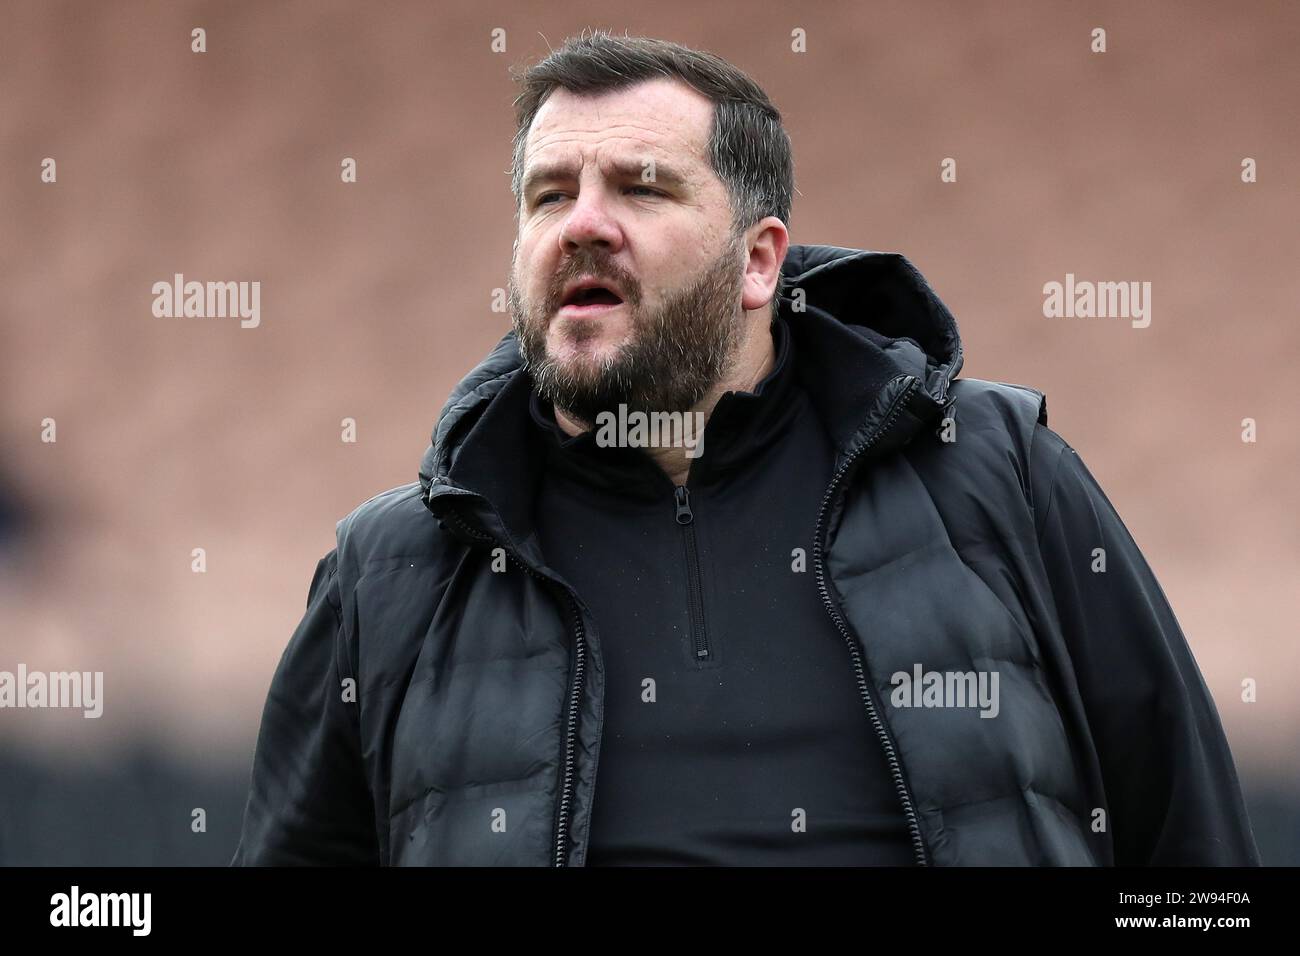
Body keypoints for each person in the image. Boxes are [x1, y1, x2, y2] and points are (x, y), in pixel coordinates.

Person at [231, 31, 1260, 866]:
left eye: (639, 187)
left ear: (759, 260)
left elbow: (1190, 845)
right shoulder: (395, 568)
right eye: (549, 195)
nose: (582, 225)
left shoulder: (1000, 475)